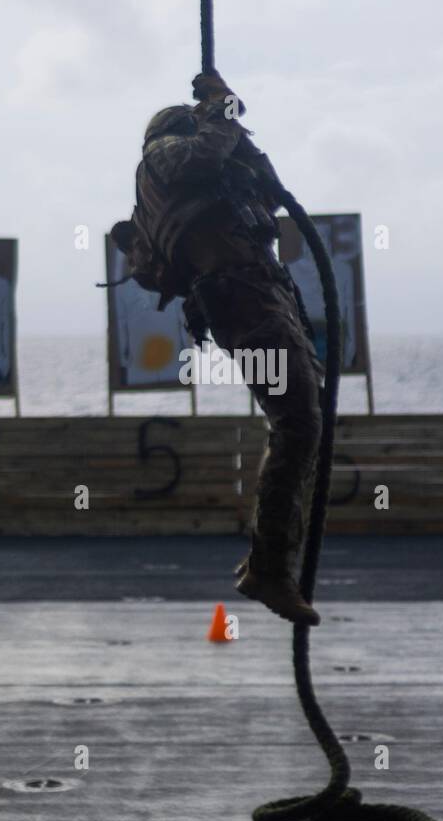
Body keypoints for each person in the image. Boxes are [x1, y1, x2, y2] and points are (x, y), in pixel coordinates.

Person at [111, 69, 323, 626]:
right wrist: (222, 105)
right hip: (239, 298)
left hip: (265, 291)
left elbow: (270, 185)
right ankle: (270, 567)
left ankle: (272, 562)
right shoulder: (163, 156)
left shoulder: (220, 163)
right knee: (297, 422)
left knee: (306, 419)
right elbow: (203, 152)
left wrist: (233, 120)